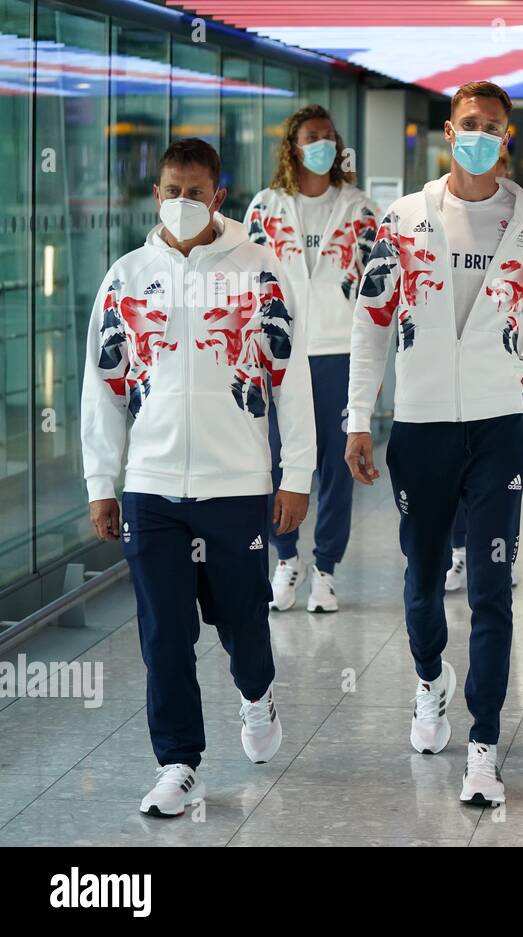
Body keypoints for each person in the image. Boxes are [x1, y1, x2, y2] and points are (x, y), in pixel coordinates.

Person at [345, 81, 523, 808]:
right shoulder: (405, 219)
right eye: (468, 123)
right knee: (421, 580)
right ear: (449, 131)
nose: (480, 134)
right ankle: (430, 679)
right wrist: (357, 417)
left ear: (509, 135)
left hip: (501, 427)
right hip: (421, 425)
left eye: (493, 126)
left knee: (493, 590)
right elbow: (371, 321)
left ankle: (483, 742)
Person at [81, 138, 315, 817]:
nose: (182, 202)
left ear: (219, 197)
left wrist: (294, 471)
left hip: (236, 483)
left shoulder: (259, 272)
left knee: (242, 622)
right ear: (156, 194)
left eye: (195, 191)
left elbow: (290, 379)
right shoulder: (126, 277)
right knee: (163, 631)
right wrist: (104, 481)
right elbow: (105, 386)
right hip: (152, 486)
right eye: (171, 190)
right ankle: (179, 763)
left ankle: (256, 691)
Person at [244, 104, 380, 613]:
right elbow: (248, 285)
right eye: (311, 137)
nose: (321, 144)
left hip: (341, 355)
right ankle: (286, 560)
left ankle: (325, 570)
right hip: (281, 357)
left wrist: (375, 370)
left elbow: (378, 295)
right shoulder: (265, 207)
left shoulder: (362, 210)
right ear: (293, 146)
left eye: (328, 136)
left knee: (338, 468)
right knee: (277, 460)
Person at [445, 150, 523, 593]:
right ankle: (461, 552)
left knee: (503, 483)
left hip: (510, 385)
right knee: (455, 479)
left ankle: (501, 553)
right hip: (451, 389)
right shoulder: (435, 220)